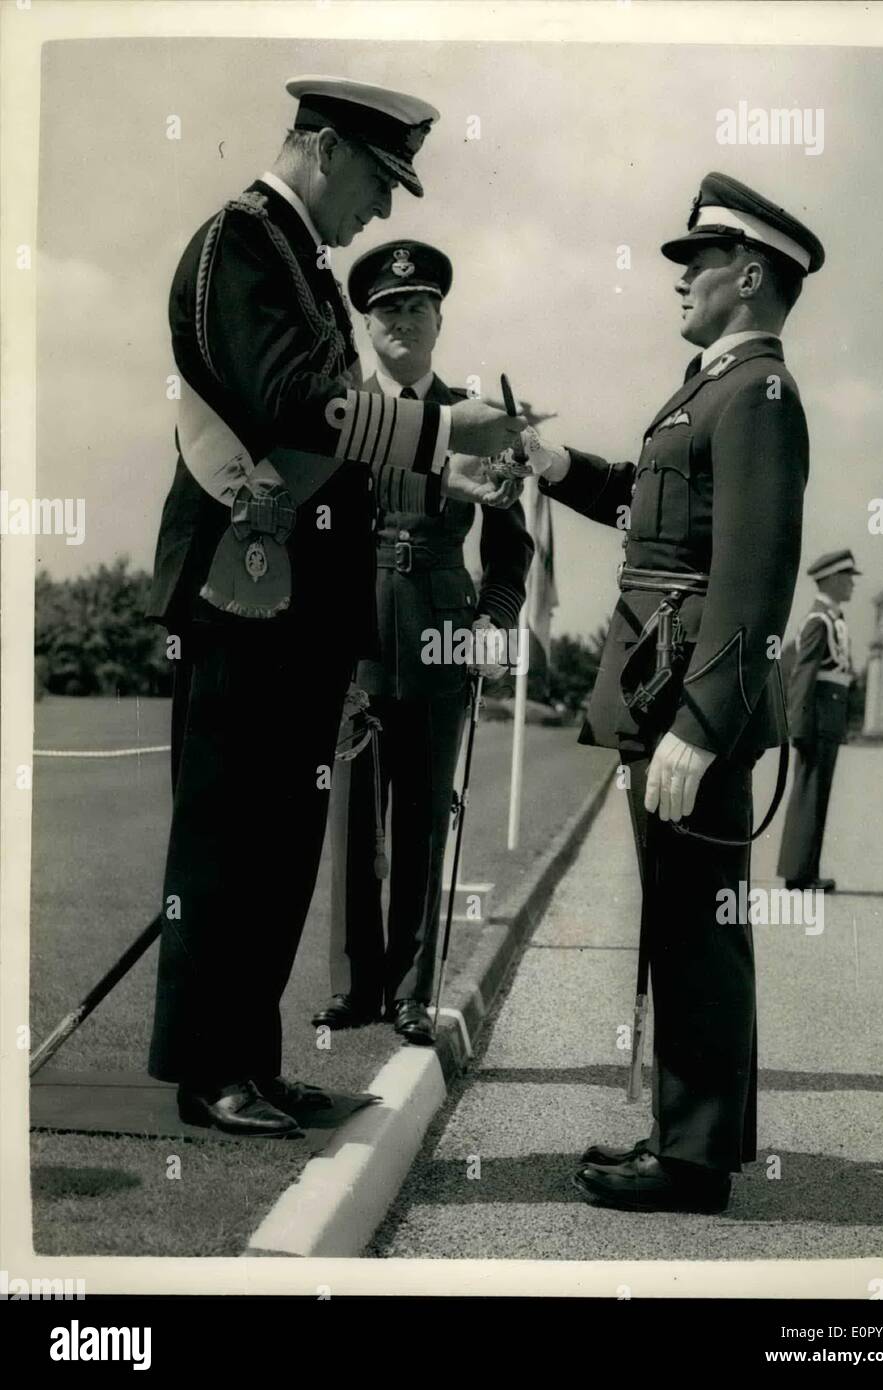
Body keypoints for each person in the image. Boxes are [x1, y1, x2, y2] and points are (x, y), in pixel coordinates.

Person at [146, 77, 525, 1138]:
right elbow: (294, 403)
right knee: (227, 835)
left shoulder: (298, 261)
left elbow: (332, 432)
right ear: (316, 145)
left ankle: (253, 1064)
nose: (385, 209)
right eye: (377, 176)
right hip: (242, 588)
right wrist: (448, 441)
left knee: (279, 841)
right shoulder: (240, 243)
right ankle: (208, 1070)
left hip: (299, 599)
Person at [516, 171, 824, 1211]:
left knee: (696, 927)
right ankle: (691, 1141)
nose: (677, 280)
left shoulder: (756, 394)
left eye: (693, 263)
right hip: (660, 689)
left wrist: (700, 724)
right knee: (687, 920)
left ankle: (691, 1163)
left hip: (688, 700)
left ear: (746, 275)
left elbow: (752, 571)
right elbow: (645, 514)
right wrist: (553, 464)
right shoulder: (711, 385)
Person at [312, 241, 534, 1045]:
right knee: (354, 815)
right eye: (387, 310)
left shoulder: (478, 422)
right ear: (368, 327)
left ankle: (410, 989)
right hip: (357, 628)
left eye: (417, 307)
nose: (402, 321)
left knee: (424, 819)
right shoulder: (340, 413)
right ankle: (354, 986)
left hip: (444, 625)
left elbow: (512, 546)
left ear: (440, 319)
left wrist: (492, 621)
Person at [777, 549, 859, 891]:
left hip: (828, 721)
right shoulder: (818, 621)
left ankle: (806, 871)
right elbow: (803, 677)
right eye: (848, 578)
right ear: (832, 579)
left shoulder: (832, 619)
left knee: (817, 796)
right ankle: (798, 873)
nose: (852, 585)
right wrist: (800, 727)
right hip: (816, 722)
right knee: (809, 795)